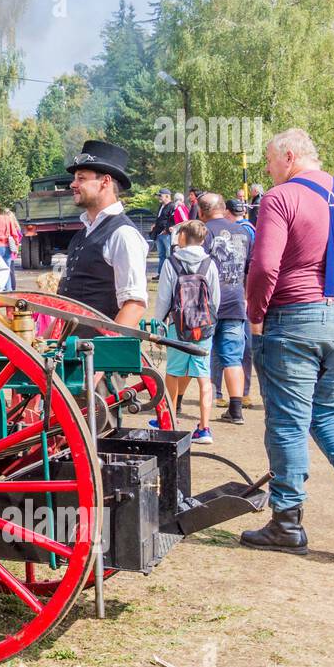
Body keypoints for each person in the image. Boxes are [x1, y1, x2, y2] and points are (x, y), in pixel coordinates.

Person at [241, 128, 334, 555]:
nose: (269, 171)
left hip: (294, 317)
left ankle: (286, 523)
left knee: (288, 421)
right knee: (330, 414)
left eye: (270, 161)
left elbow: (265, 265)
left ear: (289, 156)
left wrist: (256, 314)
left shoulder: (280, 197)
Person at [57, 141, 149, 327]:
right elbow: (68, 304)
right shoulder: (81, 235)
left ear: (105, 181)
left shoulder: (123, 234)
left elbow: (134, 305)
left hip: (96, 352)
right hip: (72, 351)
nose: (73, 184)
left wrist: (107, 353)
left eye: (81, 178)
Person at [153, 219, 220, 444]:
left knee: (173, 373)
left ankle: (170, 421)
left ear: (182, 236)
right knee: (203, 376)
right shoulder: (209, 263)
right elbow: (215, 299)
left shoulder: (171, 263)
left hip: (177, 327)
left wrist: (159, 324)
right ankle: (205, 428)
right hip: (203, 328)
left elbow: (163, 298)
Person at [196, 192, 253, 425]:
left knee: (205, 354)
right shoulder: (243, 231)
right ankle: (236, 409)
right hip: (236, 300)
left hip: (208, 302)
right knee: (233, 358)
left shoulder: (204, 232)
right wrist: (246, 296)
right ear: (223, 208)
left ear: (201, 212)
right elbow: (249, 268)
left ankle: (205, 409)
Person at [150, 188, 179, 277]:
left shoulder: (172, 206)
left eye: (160, 195)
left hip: (167, 235)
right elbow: (160, 218)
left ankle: (170, 274)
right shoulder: (161, 206)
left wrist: (166, 230)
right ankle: (161, 274)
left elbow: (173, 220)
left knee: (169, 254)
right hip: (159, 234)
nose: (159, 197)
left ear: (167, 196)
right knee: (161, 255)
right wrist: (155, 225)